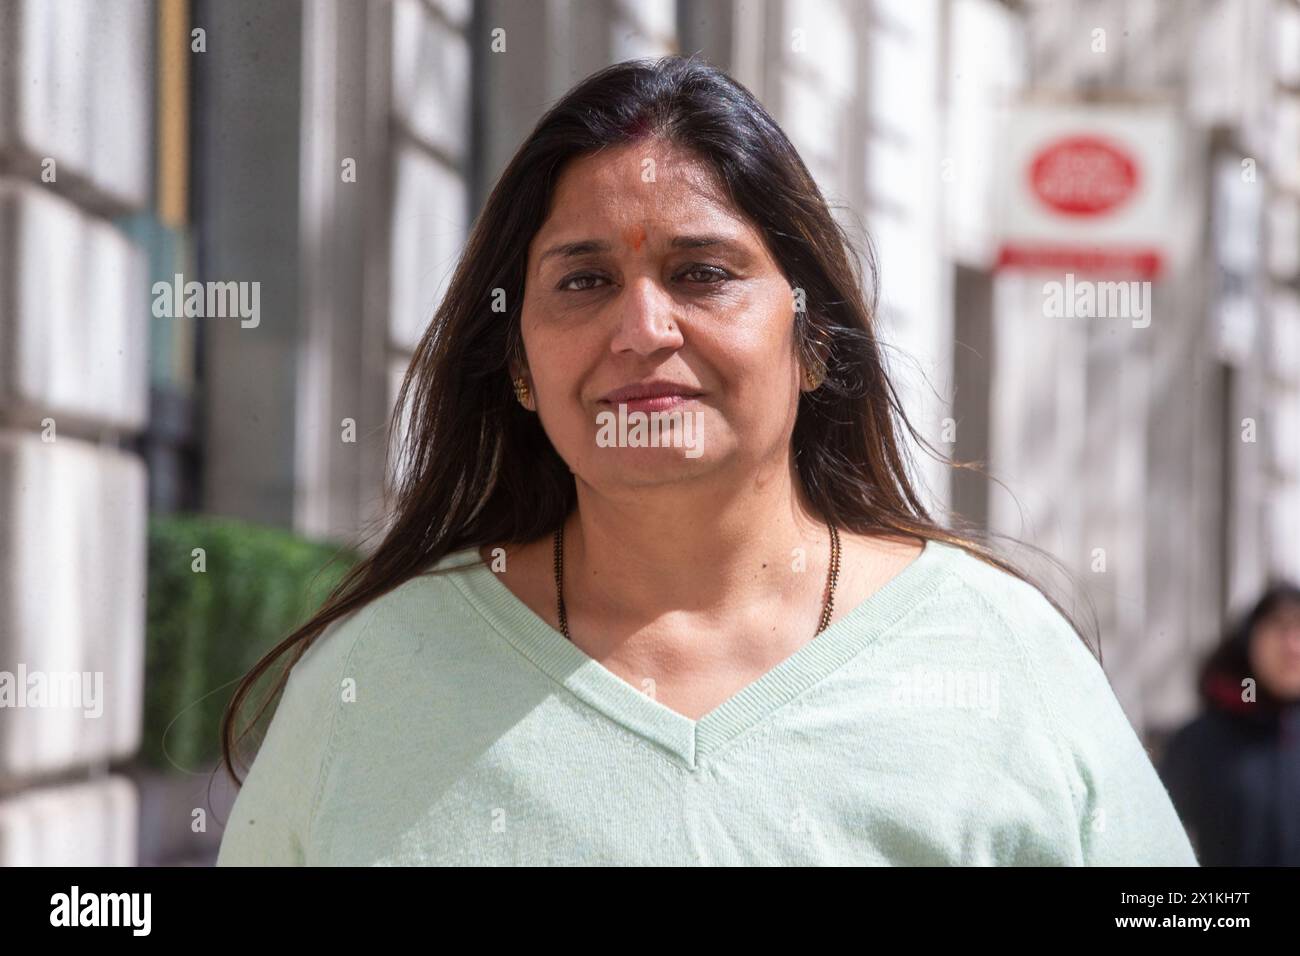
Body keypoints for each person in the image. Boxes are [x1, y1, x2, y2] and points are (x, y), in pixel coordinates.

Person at [215, 55, 1196, 866]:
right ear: (517, 363)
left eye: (701, 274)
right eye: (585, 279)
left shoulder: (999, 656)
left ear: (812, 341)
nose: (642, 328)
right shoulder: (372, 684)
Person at [1159, 582, 1300, 865]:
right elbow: (1152, 835)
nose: (1292, 646)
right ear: (1250, 638)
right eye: (1281, 627)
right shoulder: (1200, 742)